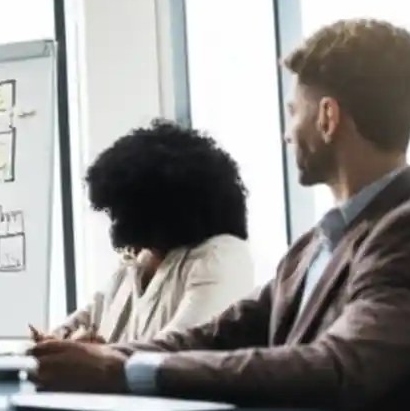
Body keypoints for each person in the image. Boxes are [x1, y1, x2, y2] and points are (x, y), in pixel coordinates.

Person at [30, 18, 410, 411]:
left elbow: (338, 366)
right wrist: (107, 358)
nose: (287, 132)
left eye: (294, 112)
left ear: (327, 117)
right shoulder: (315, 245)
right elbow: (216, 336)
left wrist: (121, 372)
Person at [32, 121, 254, 344]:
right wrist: (57, 339)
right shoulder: (139, 261)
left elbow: (177, 350)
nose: (115, 222)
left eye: (120, 211)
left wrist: (93, 356)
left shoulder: (220, 258)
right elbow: (90, 315)